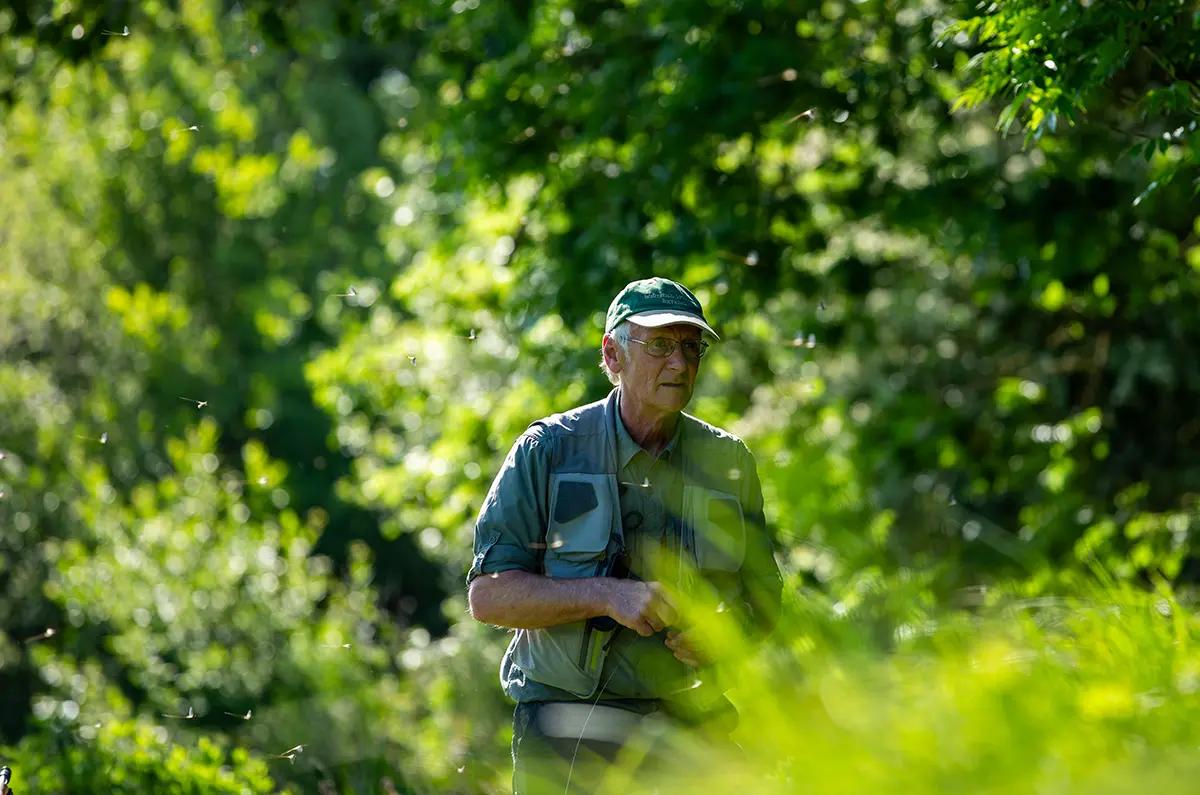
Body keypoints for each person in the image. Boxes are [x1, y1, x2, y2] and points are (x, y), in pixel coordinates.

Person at [467, 277, 783, 794]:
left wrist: (726, 634)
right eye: (658, 345)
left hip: (691, 726)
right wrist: (607, 595)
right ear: (613, 355)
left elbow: (764, 597)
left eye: (690, 346)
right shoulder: (548, 450)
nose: (679, 364)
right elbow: (489, 596)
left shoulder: (729, 462)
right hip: (566, 728)